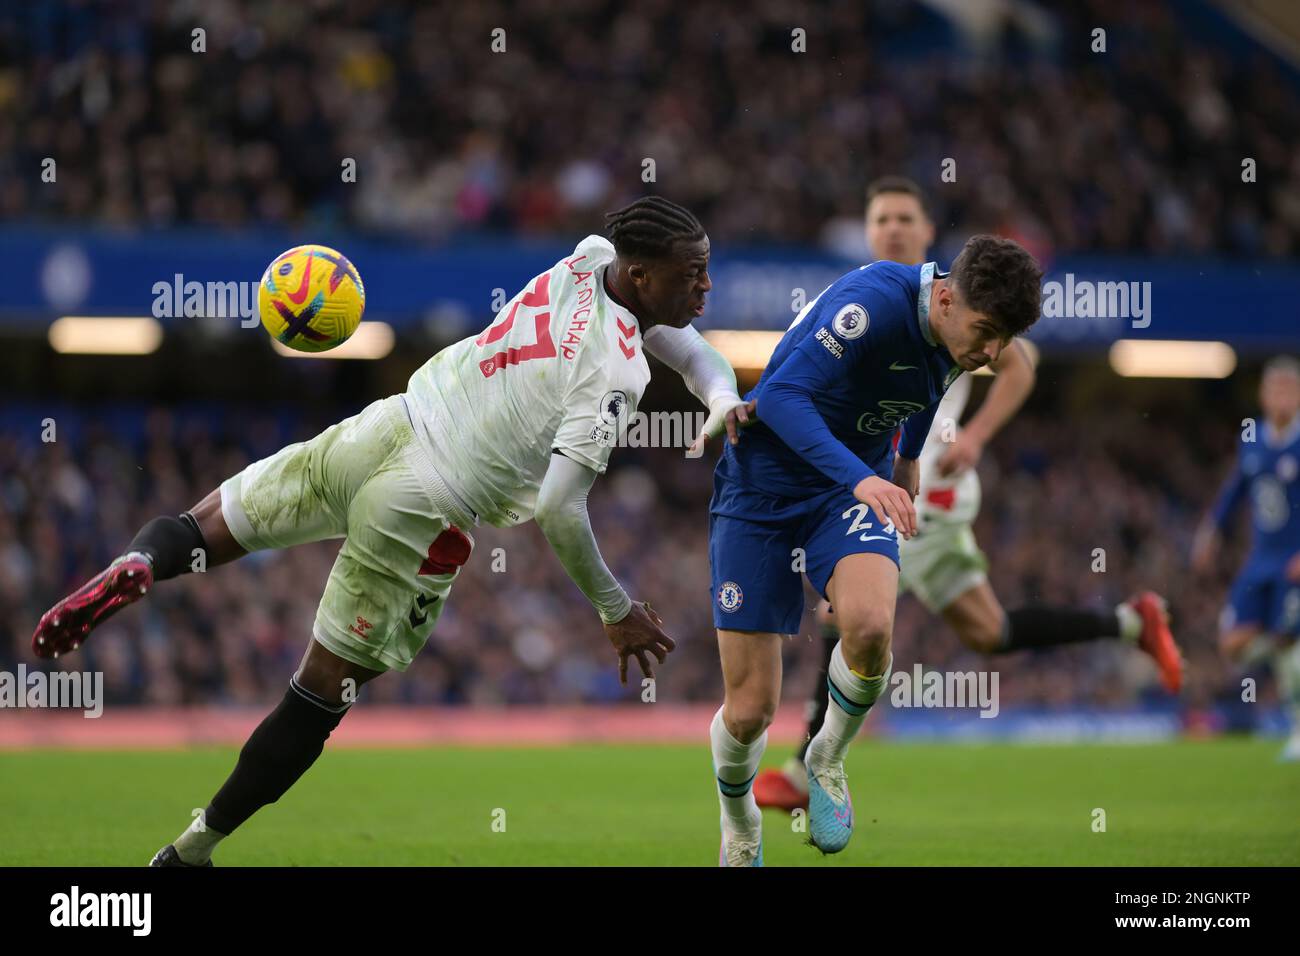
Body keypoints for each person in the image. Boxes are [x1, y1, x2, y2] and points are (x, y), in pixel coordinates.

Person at [31, 196, 745, 866]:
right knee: (324, 692)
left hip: (387, 426)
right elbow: (561, 508)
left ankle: (142, 564)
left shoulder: (592, 256)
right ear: (642, 274)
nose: (706, 288)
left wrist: (719, 393)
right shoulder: (614, 372)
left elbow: (682, 345)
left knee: (208, 524)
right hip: (426, 507)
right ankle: (191, 850)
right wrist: (615, 609)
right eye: (693, 275)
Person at [753, 178, 1183, 815]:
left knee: (850, 613)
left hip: (921, 495)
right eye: (882, 219)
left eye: (907, 219)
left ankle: (808, 765)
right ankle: (1127, 620)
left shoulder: (962, 312)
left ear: (930, 237)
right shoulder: (873, 301)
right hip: (896, 482)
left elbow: (1021, 364)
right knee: (990, 631)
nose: (894, 229)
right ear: (869, 233)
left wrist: (974, 436)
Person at [706, 232, 1042, 865]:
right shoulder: (871, 307)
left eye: (1005, 340)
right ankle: (739, 821)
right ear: (944, 297)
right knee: (750, 710)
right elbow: (778, 397)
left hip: (845, 494)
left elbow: (926, 385)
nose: (992, 351)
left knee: (866, 627)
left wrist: (908, 457)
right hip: (761, 489)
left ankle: (826, 757)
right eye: (987, 331)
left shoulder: (954, 335)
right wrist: (865, 475)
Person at [1193, 356, 1300, 761]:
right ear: (1263, 394)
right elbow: (1236, 488)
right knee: (1234, 643)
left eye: (1289, 389)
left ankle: (1297, 729)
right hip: (1261, 558)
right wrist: (1211, 532)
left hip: (1294, 560)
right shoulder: (1252, 436)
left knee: (1290, 642)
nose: (1281, 397)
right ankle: (1281, 637)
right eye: (1275, 389)